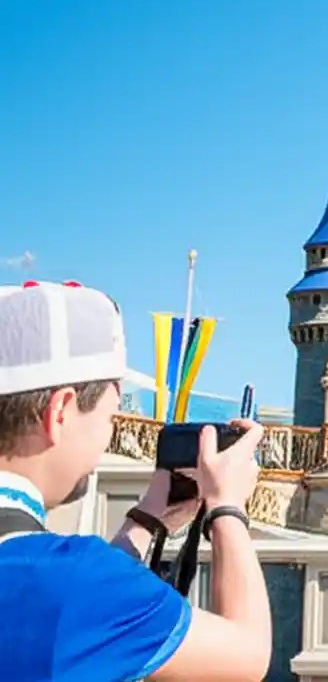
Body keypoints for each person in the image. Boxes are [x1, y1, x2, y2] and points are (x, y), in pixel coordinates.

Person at [0, 281, 272, 681]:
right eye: (111, 417)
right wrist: (227, 507)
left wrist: (144, 523)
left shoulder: (78, 583)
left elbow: (84, 621)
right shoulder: (78, 580)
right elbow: (246, 657)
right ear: (60, 411)